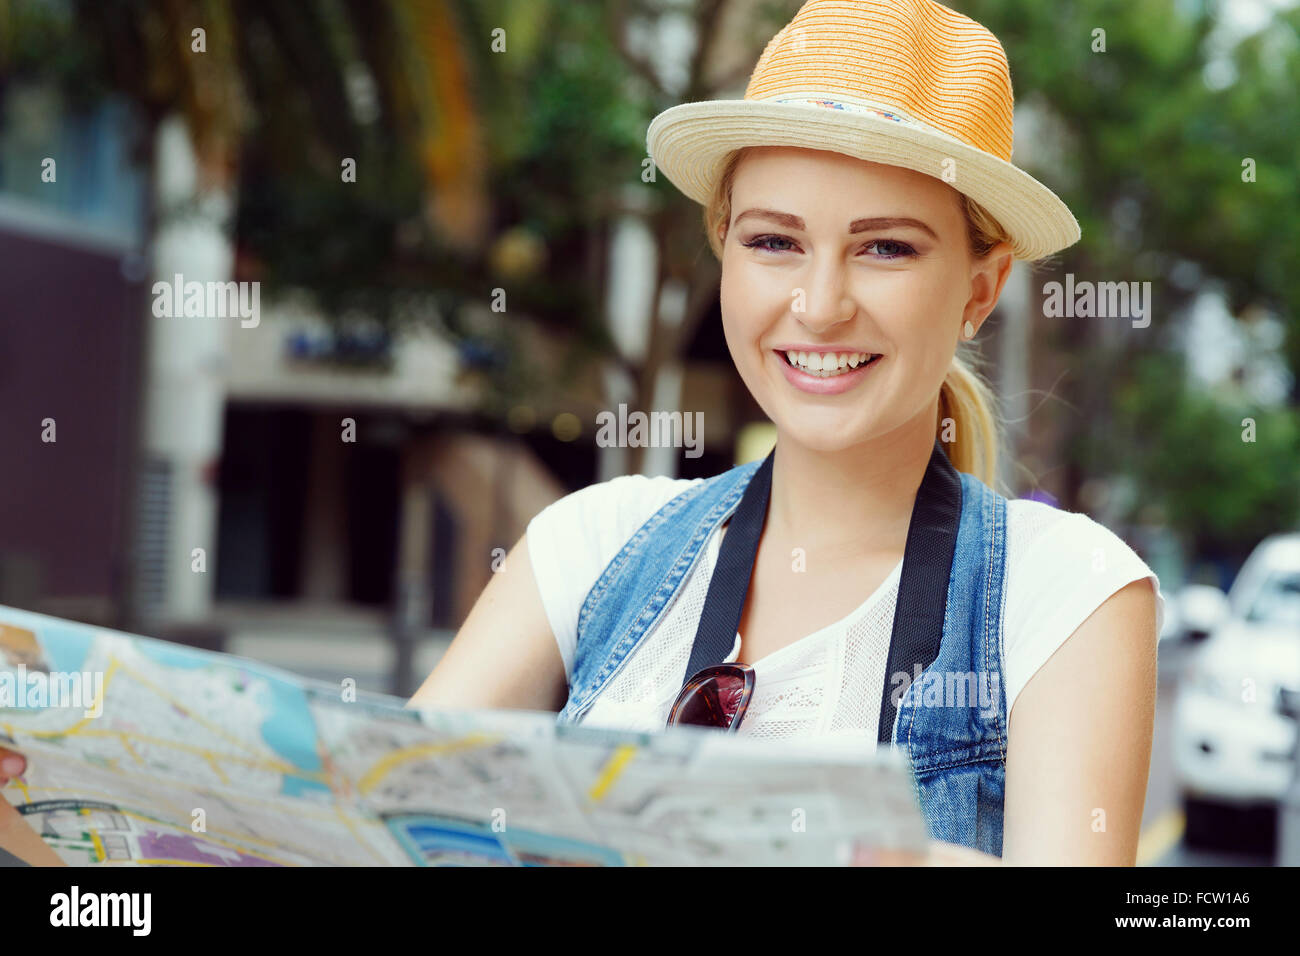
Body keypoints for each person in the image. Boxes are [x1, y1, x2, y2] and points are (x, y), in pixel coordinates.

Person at [410, 0, 1164, 865]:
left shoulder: (1067, 592)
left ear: (979, 292)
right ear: (724, 251)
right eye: (774, 241)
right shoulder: (592, 544)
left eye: (886, 249)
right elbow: (386, 809)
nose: (819, 305)